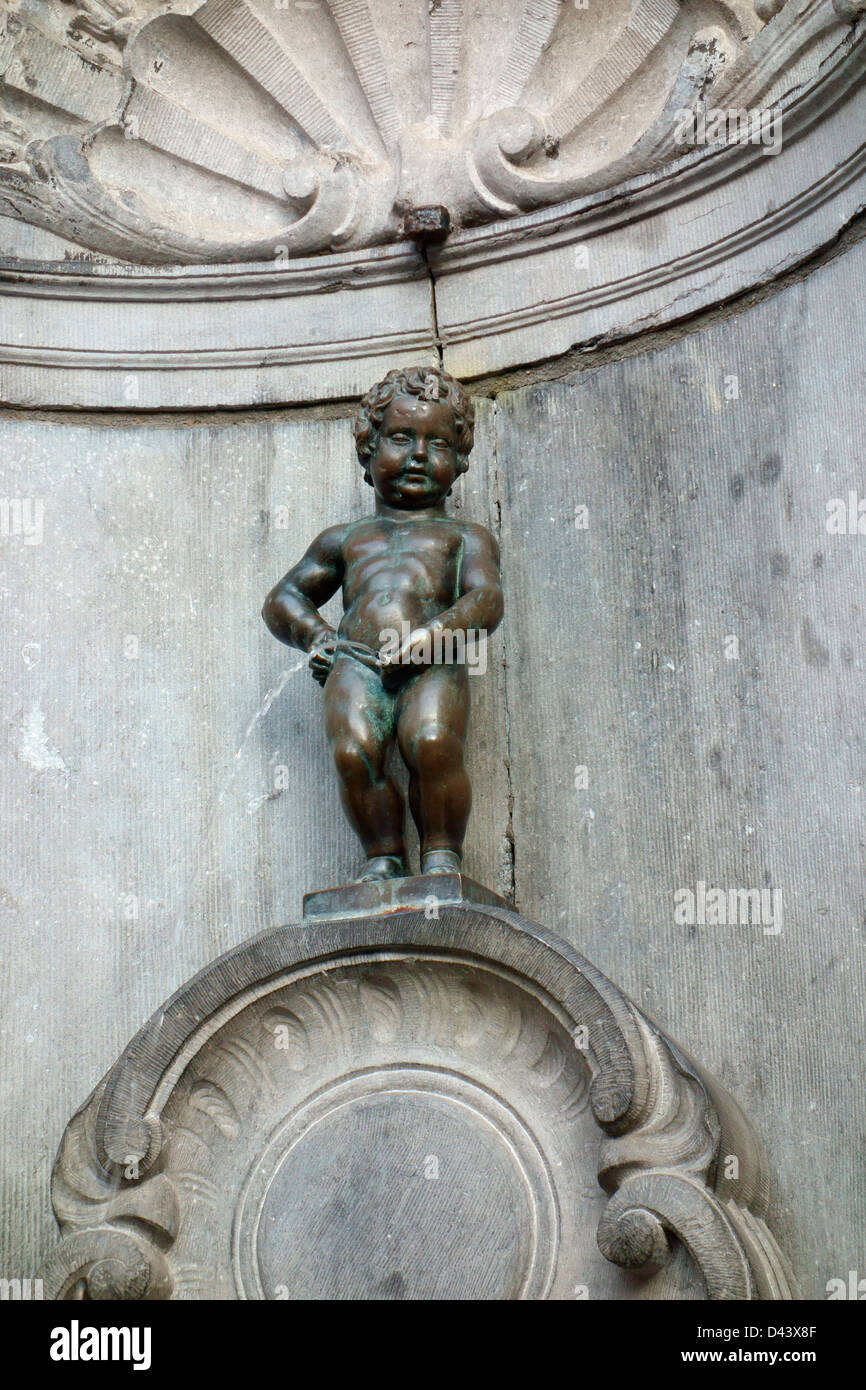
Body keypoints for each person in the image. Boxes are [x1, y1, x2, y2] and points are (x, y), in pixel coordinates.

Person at [262, 365, 504, 881]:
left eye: (437, 443)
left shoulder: (464, 537)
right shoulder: (346, 539)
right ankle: (383, 857)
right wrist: (317, 636)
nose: (418, 454)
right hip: (357, 661)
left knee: (434, 743)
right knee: (354, 753)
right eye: (400, 437)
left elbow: (486, 598)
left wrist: (436, 635)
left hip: (432, 659)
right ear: (368, 449)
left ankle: (442, 856)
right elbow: (283, 598)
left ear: (460, 461)